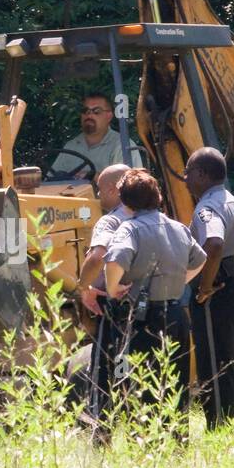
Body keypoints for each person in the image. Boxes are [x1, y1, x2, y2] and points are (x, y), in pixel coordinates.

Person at [102, 170, 207, 424]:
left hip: (142, 321)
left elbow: (115, 260)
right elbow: (201, 258)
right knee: (176, 386)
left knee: (143, 387)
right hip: (176, 316)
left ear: (125, 202)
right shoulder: (178, 228)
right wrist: (181, 281)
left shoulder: (129, 229)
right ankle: (178, 443)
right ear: (158, 196)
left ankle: (149, 445)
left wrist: (112, 288)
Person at [183, 148, 234, 430]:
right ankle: (226, 423)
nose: (185, 178)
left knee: (212, 364)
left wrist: (204, 287)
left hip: (218, 291)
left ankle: (219, 426)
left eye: (189, 172)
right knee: (226, 360)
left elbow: (213, 243)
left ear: (201, 174)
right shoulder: (233, 202)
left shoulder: (207, 207)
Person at [75, 163, 133, 419]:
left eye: (100, 190)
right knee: (132, 361)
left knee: (107, 365)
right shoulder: (156, 219)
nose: (98, 197)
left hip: (115, 305)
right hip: (149, 304)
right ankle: (133, 413)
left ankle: (103, 424)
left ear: (113, 189)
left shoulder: (110, 221)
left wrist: (83, 287)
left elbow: (98, 255)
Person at [50, 92, 144, 179]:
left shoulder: (123, 146)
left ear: (109, 116)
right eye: (85, 111)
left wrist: (95, 177)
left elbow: (129, 185)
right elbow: (51, 178)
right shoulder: (71, 146)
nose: (89, 115)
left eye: (96, 111)